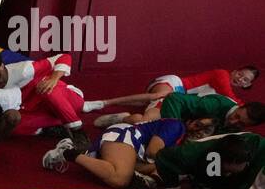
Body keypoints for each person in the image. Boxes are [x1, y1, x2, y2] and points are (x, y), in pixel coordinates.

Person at [41, 117, 213, 189]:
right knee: (119, 179)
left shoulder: (184, 142)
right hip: (126, 136)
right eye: (198, 124)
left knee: (156, 169)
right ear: (191, 120)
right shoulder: (177, 126)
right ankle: (68, 152)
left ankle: (89, 155)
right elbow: (154, 151)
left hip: (133, 148)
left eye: (206, 130)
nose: (199, 130)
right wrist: (173, 182)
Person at [0, 50, 89, 149]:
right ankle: (51, 128)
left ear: (1, 66)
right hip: (43, 112)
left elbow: (64, 57)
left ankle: (78, 132)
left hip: (70, 101)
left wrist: (53, 79)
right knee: (5, 124)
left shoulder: (24, 69)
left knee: (46, 89)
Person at [83, 66, 257, 122]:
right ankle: (102, 103)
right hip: (176, 85)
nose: (240, 79)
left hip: (180, 103)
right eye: (240, 74)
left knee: (148, 120)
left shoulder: (230, 100)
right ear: (235, 71)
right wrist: (244, 107)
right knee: (159, 96)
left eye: (245, 80)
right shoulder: (222, 75)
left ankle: (123, 119)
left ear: (248, 85)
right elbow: (230, 97)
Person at [92, 90, 264, 133]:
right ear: (240, 107)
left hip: (188, 124)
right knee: (144, 124)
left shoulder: (237, 127)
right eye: (236, 117)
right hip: (168, 105)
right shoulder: (214, 105)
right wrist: (174, 129)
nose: (235, 122)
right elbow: (175, 98)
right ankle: (124, 118)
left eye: (241, 123)